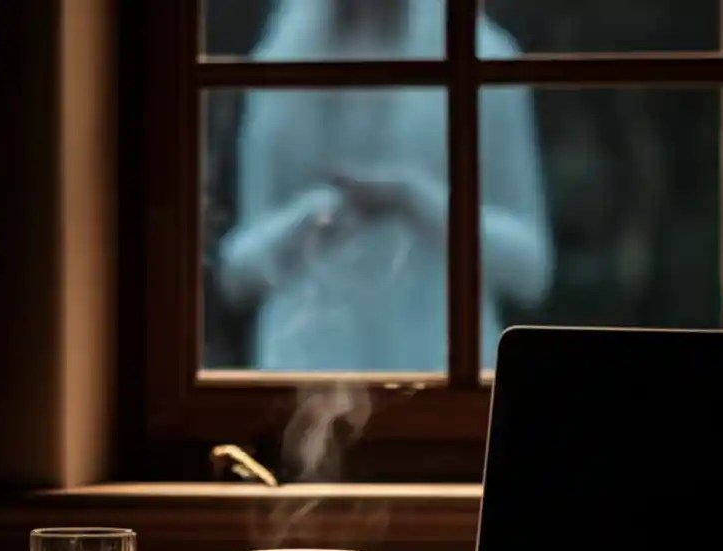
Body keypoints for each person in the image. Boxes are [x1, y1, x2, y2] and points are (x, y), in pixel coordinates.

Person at [217, 0, 552, 371]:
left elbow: (530, 268)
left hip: (442, 380)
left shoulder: (483, 56)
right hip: (302, 378)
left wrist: (415, 200)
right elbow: (238, 269)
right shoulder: (282, 60)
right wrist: (313, 216)